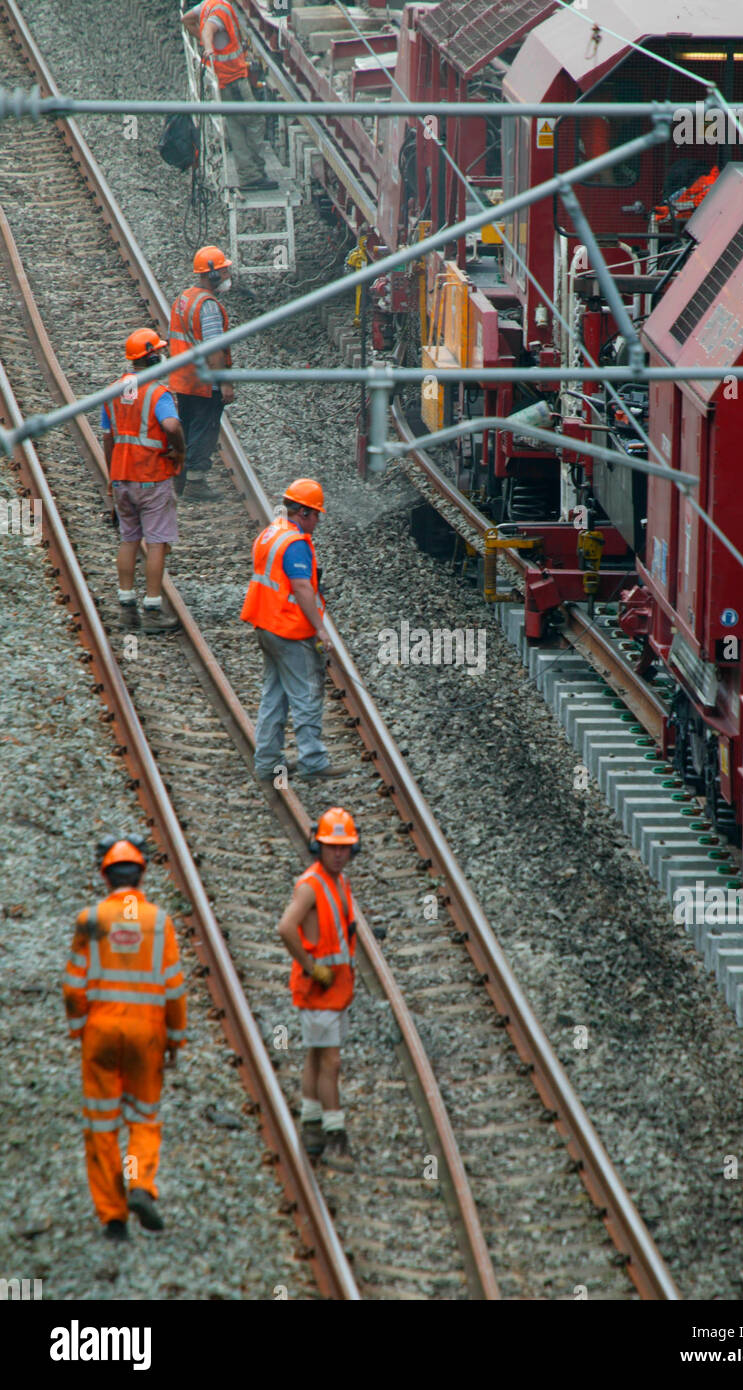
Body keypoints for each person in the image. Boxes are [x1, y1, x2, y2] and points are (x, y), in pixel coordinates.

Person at [63, 837, 187, 1240]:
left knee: (101, 1125)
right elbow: (174, 989)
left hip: (100, 1035)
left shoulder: (91, 919)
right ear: (142, 874)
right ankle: (138, 1185)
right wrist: (174, 1040)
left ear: (105, 876)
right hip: (146, 1038)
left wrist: (80, 1030)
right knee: (143, 1120)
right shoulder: (157, 921)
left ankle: (114, 1219)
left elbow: (73, 987)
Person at [240, 478, 345, 782]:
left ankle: (268, 762)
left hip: (266, 623)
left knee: (274, 696)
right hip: (288, 628)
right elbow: (301, 588)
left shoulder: (272, 532)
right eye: (316, 514)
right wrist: (321, 630)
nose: (318, 521)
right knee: (307, 694)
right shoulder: (295, 544)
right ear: (303, 512)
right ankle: (313, 761)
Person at [277, 808, 359, 1170]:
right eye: (332, 847)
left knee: (315, 1055)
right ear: (318, 846)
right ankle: (334, 1135)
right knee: (331, 1061)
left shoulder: (338, 881)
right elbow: (285, 928)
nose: (338, 853)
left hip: (333, 989)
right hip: (318, 989)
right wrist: (312, 968)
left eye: (344, 847)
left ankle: (311, 1128)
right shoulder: (312, 885)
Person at [102, 330, 184, 635]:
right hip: (152, 478)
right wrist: (179, 447)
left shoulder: (113, 391)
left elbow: (108, 437)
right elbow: (171, 424)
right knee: (157, 542)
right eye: (160, 353)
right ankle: (152, 609)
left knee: (129, 539)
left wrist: (112, 476)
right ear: (152, 358)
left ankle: (126, 608)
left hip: (122, 477)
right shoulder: (157, 393)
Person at [182, 0, 277, 191]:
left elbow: (187, 19)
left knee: (236, 125)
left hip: (223, 79)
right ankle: (253, 174)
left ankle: (249, 174)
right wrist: (208, 45)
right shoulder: (220, 9)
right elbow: (209, 28)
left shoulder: (207, 4)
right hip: (233, 79)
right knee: (255, 121)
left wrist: (204, 43)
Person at [168, 245, 235, 503]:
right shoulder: (208, 306)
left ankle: (180, 477)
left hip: (183, 378)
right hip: (204, 382)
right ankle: (195, 482)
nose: (228, 276)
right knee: (204, 429)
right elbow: (215, 351)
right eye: (224, 271)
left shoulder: (185, 297)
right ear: (213, 275)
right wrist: (225, 383)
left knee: (186, 426)